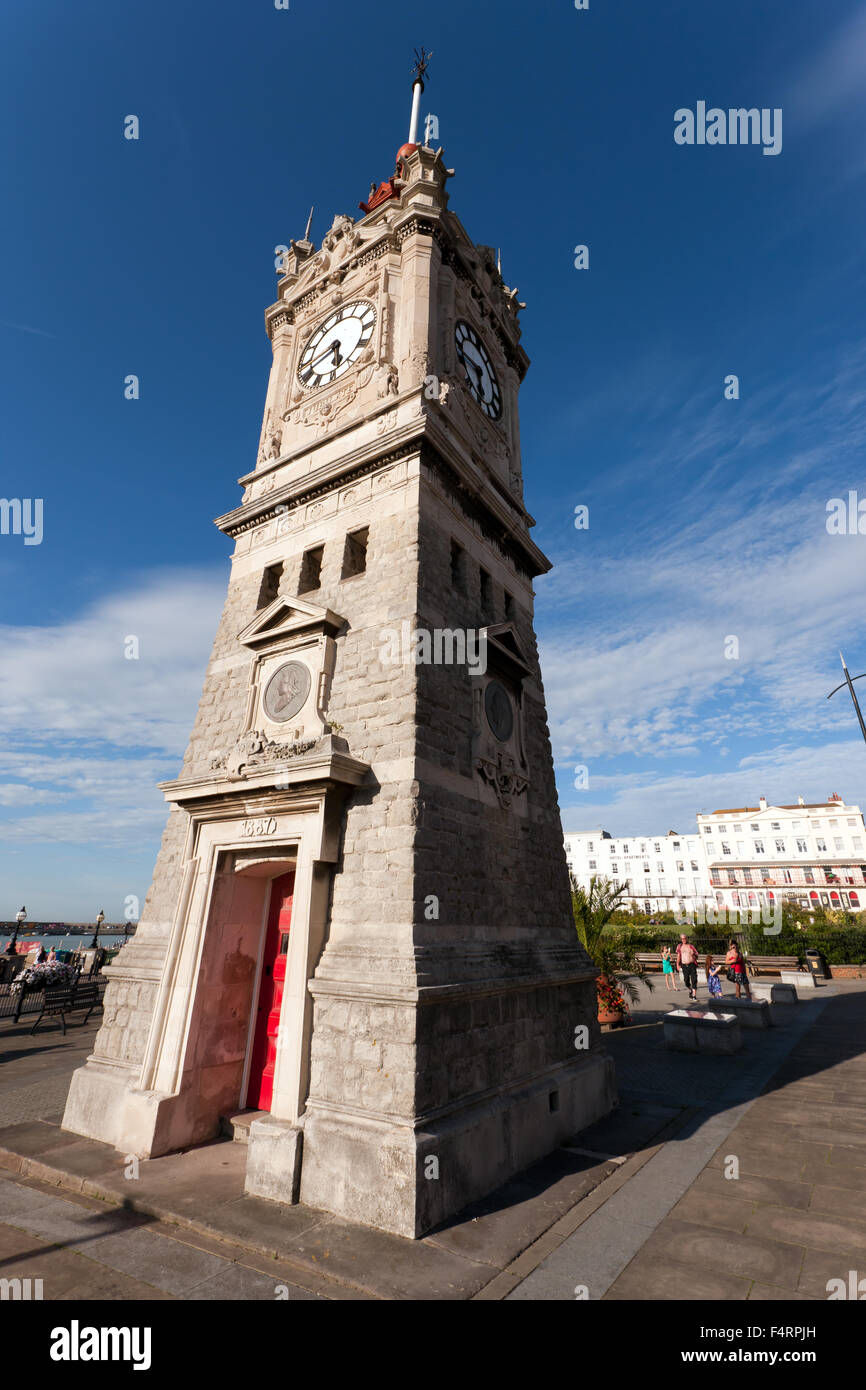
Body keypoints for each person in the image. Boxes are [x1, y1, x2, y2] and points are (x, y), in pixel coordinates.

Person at [676, 932, 699, 1001]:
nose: (684, 940)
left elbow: (697, 955)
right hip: (684, 965)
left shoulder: (691, 946)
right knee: (686, 980)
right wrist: (677, 964)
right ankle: (690, 990)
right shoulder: (679, 946)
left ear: (687, 938)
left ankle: (694, 996)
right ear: (681, 939)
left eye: (685, 938)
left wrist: (693, 954)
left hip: (692, 965)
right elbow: (678, 956)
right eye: (682, 939)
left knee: (694, 980)